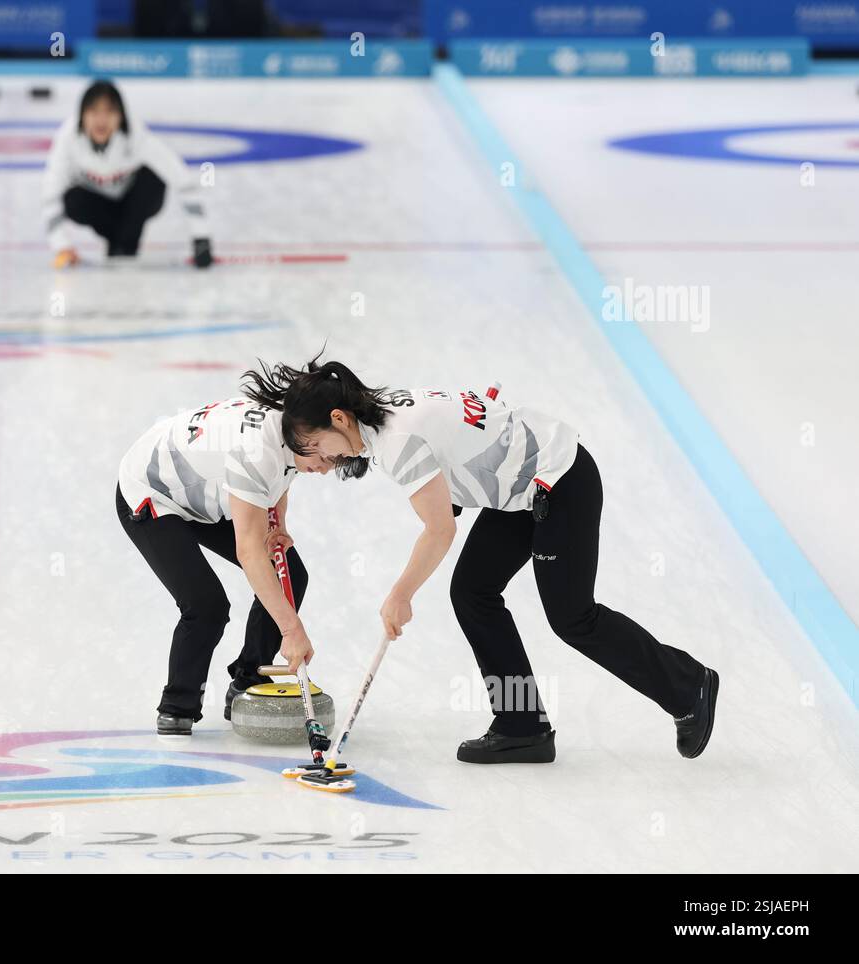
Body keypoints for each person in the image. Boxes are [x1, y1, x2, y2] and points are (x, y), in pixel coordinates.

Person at [241, 355, 719, 763]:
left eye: (315, 446)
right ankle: (522, 725)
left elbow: (440, 529)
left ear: (339, 419)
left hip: (560, 481)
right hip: (519, 490)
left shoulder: (395, 442)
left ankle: (687, 686)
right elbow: (451, 473)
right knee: (473, 591)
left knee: (573, 617)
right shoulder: (385, 413)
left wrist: (400, 594)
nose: (319, 461)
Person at [117, 396, 329, 734]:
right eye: (327, 457)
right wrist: (291, 630)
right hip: (153, 491)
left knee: (290, 573)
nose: (328, 467)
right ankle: (177, 706)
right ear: (308, 436)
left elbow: (278, 480)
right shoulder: (258, 451)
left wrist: (280, 525)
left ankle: (247, 680)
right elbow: (250, 552)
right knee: (207, 604)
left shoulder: (293, 434)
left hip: (204, 489)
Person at [43, 79, 212, 269]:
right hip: (98, 206)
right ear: (82, 115)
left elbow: (182, 180)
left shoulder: (137, 137)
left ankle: (123, 242)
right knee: (72, 199)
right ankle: (121, 241)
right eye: (94, 112)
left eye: (109, 112)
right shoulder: (68, 139)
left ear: (121, 115)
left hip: (135, 202)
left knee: (152, 179)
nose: (101, 120)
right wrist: (61, 245)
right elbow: (51, 194)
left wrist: (201, 238)